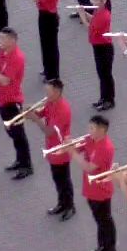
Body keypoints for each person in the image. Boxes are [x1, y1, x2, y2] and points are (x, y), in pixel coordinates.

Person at [0, 29, 33, 178]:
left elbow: (5, 80)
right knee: (12, 133)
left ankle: (27, 166)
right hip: (2, 99)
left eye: (3, 39)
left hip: (12, 101)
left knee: (18, 134)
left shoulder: (17, 58)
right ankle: (20, 160)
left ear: (12, 41)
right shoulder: (2, 52)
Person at [32, 79, 77, 219]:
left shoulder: (63, 109)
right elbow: (43, 113)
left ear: (57, 92)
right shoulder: (50, 102)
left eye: (48, 92)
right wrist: (32, 111)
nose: (46, 94)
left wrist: (35, 119)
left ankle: (70, 206)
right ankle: (61, 203)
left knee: (64, 180)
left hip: (61, 150)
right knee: (57, 179)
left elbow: (49, 131)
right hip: (52, 149)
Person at [79, 115, 117, 251]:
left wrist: (72, 153)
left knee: (105, 221)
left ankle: (111, 249)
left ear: (102, 130)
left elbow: (89, 168)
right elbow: (80, 146)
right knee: (99, 220)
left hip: (101, 190)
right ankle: (102, 245)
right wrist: (68, 144)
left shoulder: (105, 147)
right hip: (90, 189)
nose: (89, 131)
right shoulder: (91, 139)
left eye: (92, 128)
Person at [31, 0, 61, 80]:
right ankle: (47, 68)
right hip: (43, 14)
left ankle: (53, 74)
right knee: (44, 44)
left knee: (51, 46)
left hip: (49, 17)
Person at [85, 0, 115, 110]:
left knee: (106, 75)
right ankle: (103, 98)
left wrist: (82, 16)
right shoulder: (99, 10)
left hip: (104, 48)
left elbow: (90, 27)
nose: (92, 1)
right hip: (98, 46)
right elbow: (93, 20)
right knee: (102, 75)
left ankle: (109, 100)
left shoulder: (105, 15)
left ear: (104, 0)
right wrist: (86, 13)